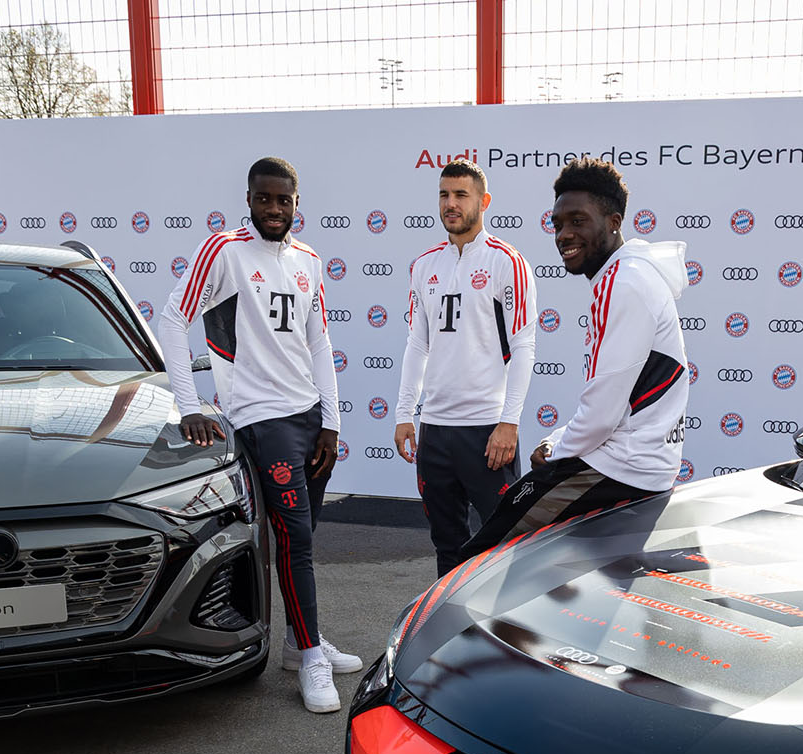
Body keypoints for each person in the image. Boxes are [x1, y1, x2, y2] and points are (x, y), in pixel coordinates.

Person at [156, 156, 361, 713]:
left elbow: (319, 343)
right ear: (248, 199)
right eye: (264, 199)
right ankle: (312, 657)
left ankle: (300, 641)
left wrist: (332, 420)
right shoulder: (222, 250)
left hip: (308, 417)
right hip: (259, 417)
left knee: (304, 539)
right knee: (294, 541)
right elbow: (172, 320)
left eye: (284, 200)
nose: (274, 209)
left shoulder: (310, 260)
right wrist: (189, 404)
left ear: (298, 202)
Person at [459, 158, 689, 561]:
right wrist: (558, 441)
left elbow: (601, 415)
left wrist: (556, 447)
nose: (565, 235)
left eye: (578, 221)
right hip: (634, 463)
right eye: (558, 223)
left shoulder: (625, 282)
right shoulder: (626, 275)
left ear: (614, 221)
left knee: (478, 558)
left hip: (620, 467)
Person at [395, 160, 537, 574]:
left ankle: (507, 633)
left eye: (461, 195)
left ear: (483, 201)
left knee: (507, 546)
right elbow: (417, 344)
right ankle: (448, 632)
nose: (450, 204)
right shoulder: (424, 265)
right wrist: (406, 413)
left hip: (487, 431)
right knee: (447, 545)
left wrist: (509, 422)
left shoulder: (506, 261)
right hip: (435, 432)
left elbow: (524, 345)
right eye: (444, 194)